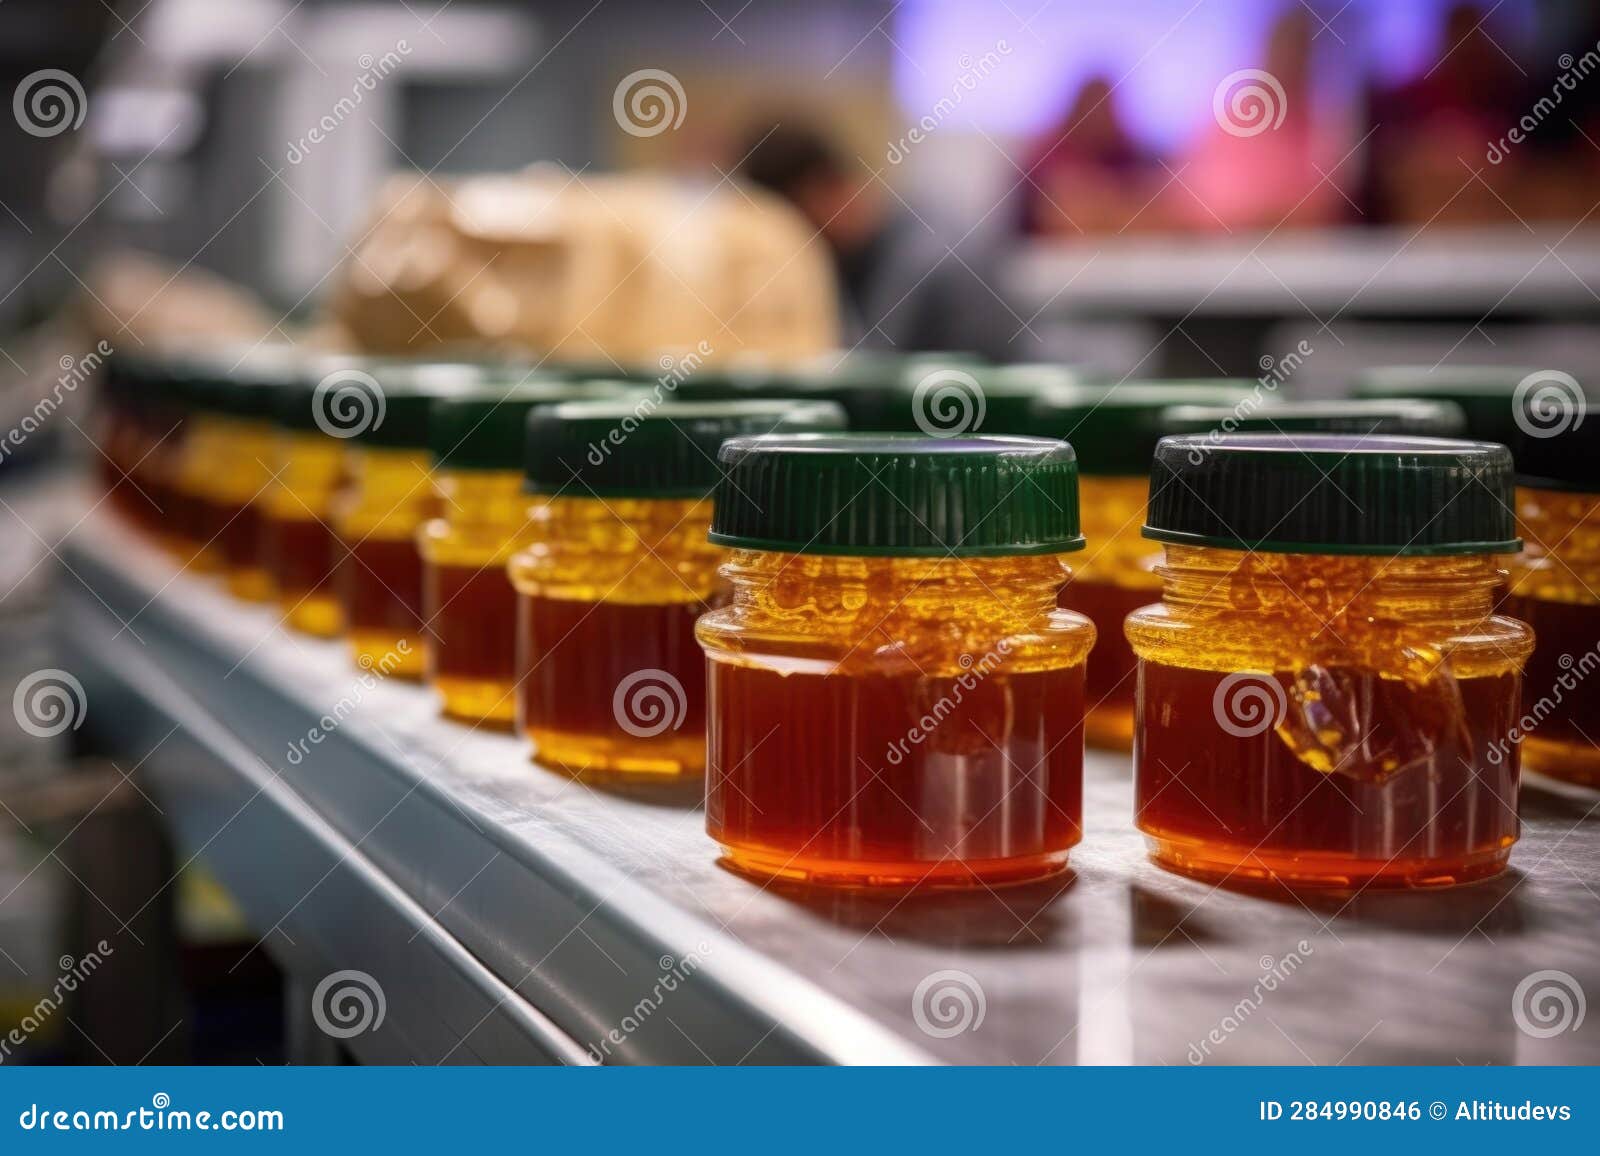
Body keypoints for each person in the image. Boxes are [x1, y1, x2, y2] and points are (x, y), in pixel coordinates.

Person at [737, 122, 1033, 360]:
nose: (790, 248)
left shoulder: (924, 259)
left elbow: (869, 378)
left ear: (822, 192)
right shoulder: (899, 236)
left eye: (791, 227)